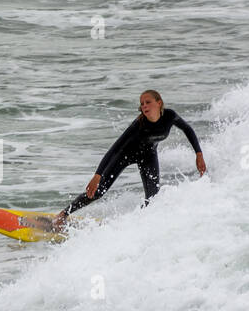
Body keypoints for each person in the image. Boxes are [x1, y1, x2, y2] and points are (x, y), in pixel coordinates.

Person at [25, 90, 206, 232]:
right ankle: (62, 215)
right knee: (98, 192)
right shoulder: (139, 125)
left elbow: (188, 129)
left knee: (153, 197)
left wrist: (198, 154)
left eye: (148, 102)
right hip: (125, 154)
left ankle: (140, 226)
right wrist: (97, 175)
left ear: (159, 103)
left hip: (149, 155)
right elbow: (115, 148)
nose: (144, 106)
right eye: (142, 103)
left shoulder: (170, 116)